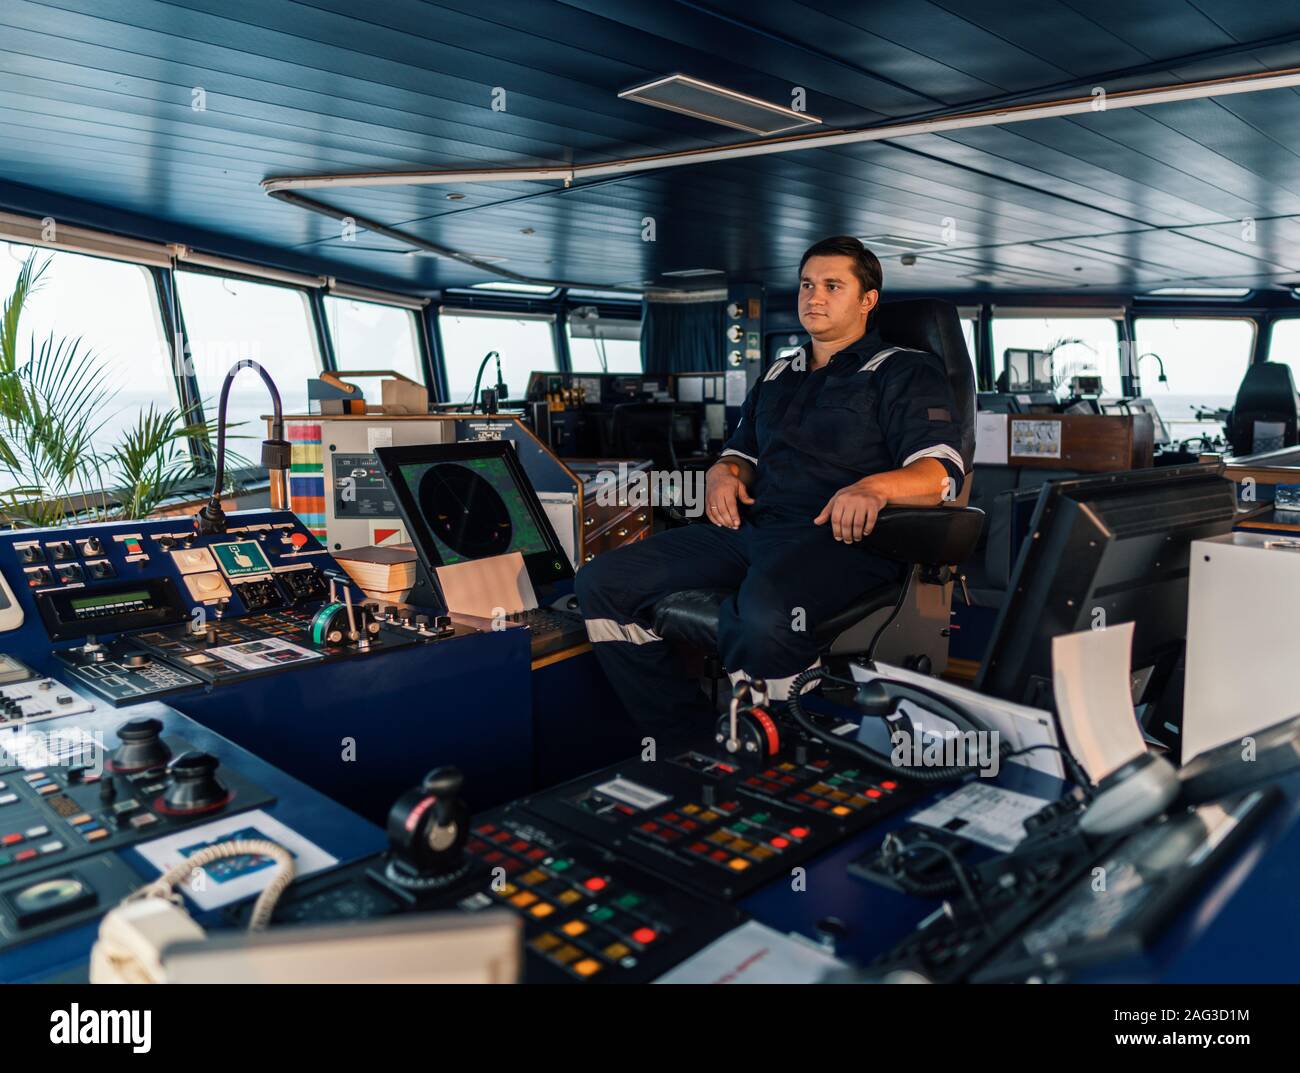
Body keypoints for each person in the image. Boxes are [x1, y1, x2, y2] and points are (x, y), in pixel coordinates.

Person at [575, 236, 965, 737]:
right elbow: (741, 452)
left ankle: (775, 748)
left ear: (867, 301)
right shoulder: (781, 372)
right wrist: (723, 473)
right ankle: (684, 736)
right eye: (807, 284)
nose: (814, 297)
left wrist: (874, 489)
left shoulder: (906, 370)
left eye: (832, 285)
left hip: (842, 539)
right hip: (754, 530)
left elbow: (940, 472)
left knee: (764, 616)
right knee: (602, 582)